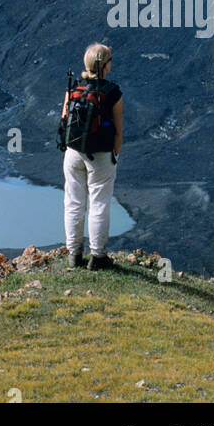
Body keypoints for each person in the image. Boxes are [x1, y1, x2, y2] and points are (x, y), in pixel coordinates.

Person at [61, 42, 123, 272]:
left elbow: (64, 120)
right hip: (100, 156)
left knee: (74, 202)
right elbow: (119, 132)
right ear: (105, 65)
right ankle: (97, 257)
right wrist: (114, 155)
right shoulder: (112, 93)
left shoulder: (74, 90)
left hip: (72, 153)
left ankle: (73, 255)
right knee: (99, 203)